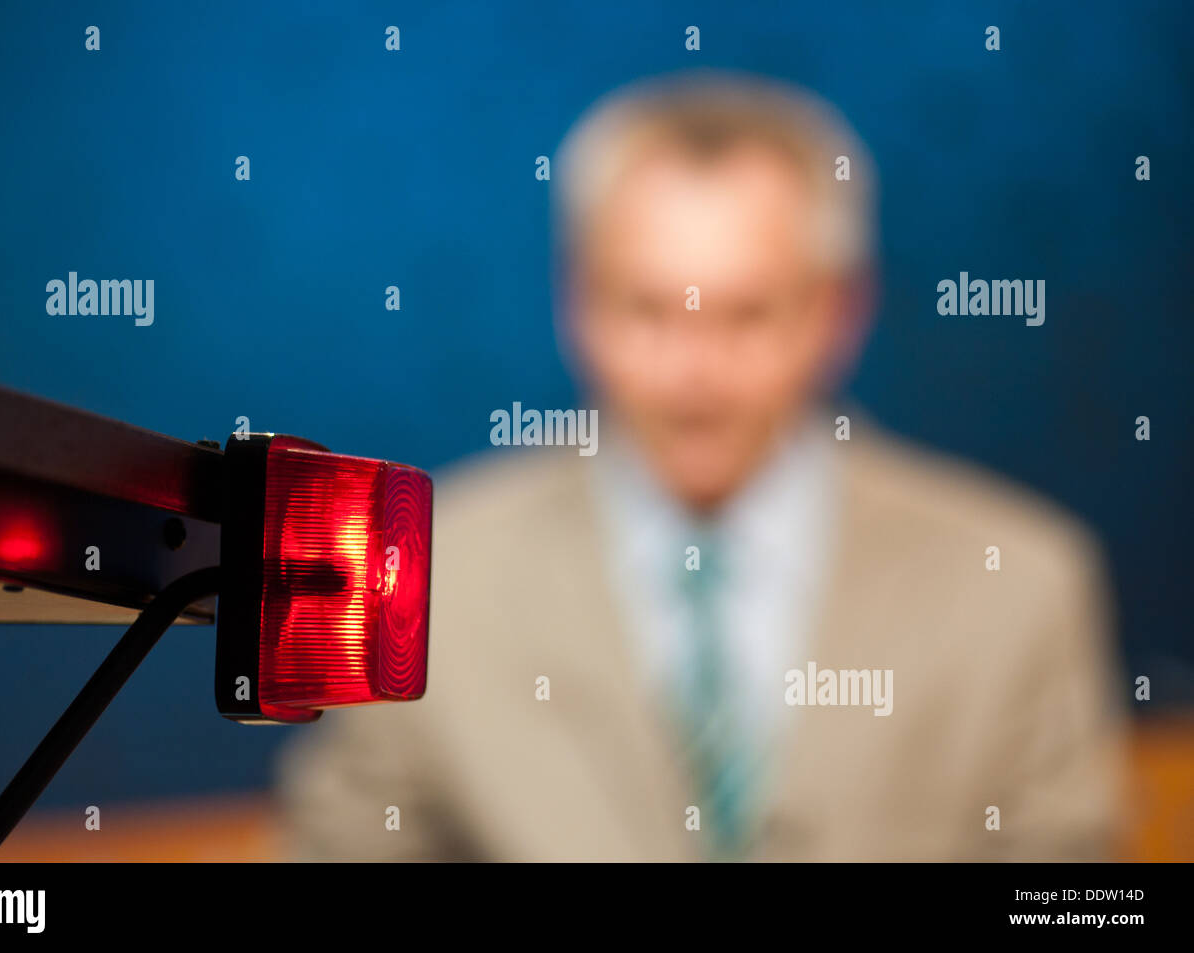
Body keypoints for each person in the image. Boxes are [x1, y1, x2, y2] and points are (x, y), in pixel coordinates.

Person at [274, 71, 1126, 861]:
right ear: (577, 303)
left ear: (839, 312)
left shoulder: (1017, 581)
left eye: (747, 314)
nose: (694, 372)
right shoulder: (422, 573)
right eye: (648, 308)